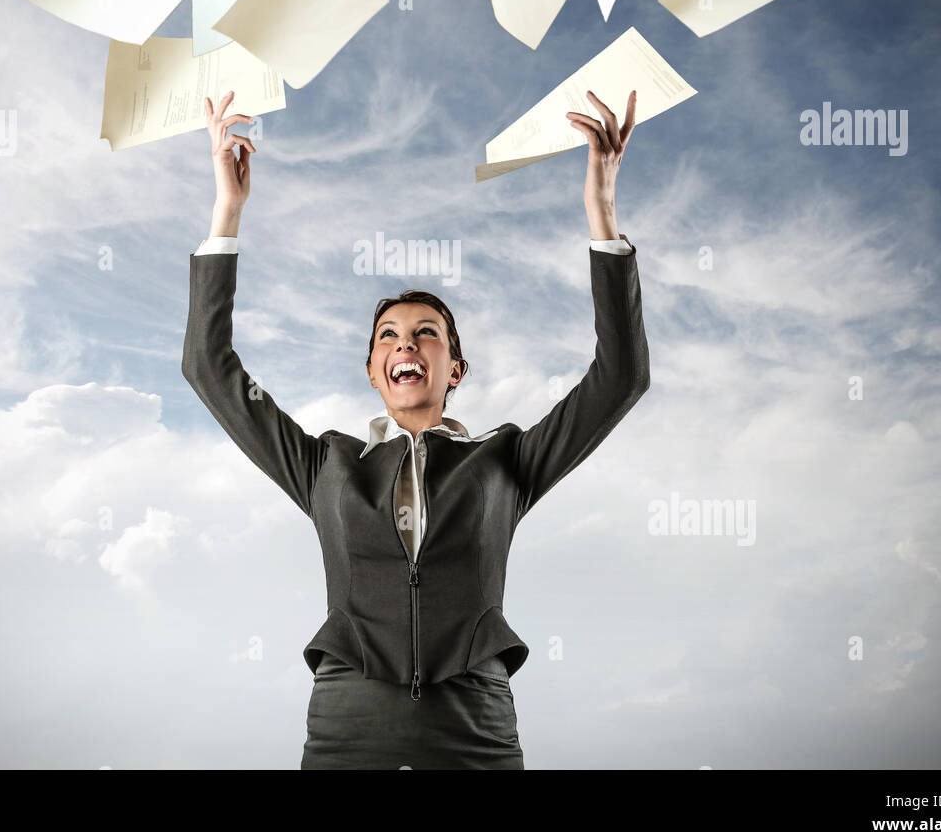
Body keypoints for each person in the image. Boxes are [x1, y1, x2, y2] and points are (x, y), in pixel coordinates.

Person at [181, 88, 650, 769]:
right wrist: (228, 210)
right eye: (389, 337)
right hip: (349, 708)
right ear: (373, 368)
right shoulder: (324, 464)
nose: (407, 344)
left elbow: (620, 378)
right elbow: (209, 368)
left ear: (453, 366)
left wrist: (601, 212)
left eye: (427, 333)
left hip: (474, 710)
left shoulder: (506, 459)